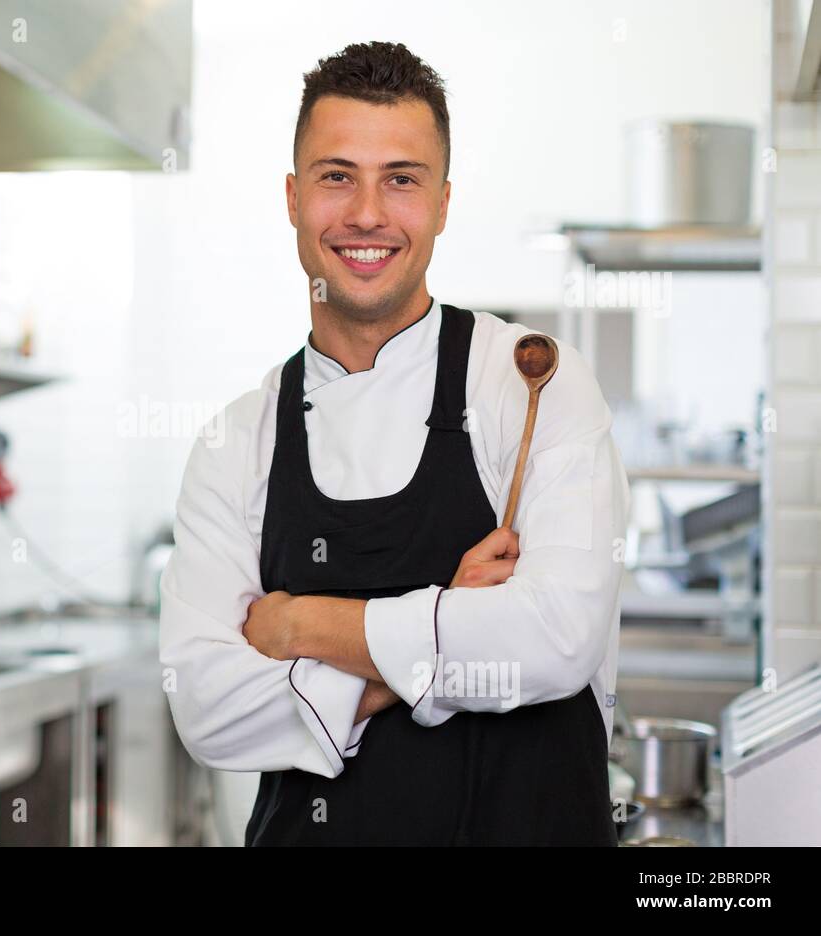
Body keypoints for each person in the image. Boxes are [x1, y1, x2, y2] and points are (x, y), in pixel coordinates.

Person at [158, 41, 629, 846]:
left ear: (443, 203)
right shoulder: (237, 438)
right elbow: (207, 709)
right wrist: (444, 619)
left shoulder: (530, 381)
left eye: (401, 180)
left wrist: (303, 625)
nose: (368, 214)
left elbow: (554, 640)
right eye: (336, 175)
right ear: (293, 197)